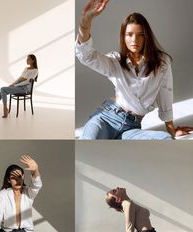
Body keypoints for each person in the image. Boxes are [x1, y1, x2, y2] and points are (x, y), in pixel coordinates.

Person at [76, 1, 193, 139]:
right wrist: (85, 21)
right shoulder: (116, 61)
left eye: (140, 34)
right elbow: (86, 56)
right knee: (88, 143)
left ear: (146, 36)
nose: (134, 39)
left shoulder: (162, 62)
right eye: (129, 34)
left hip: (132, 127)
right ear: (123, 37)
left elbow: (165, 93)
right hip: (106, 118)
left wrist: (171, 129)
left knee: (164, 139)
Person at [0, 54, 38, 118]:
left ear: (33, 60)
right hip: (18, 86)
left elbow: (27, 81)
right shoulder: (26, 68)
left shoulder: (35, 71)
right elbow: (20, 78)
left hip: (24, 89)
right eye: (27, 59)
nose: (27, 60)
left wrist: (16, 85)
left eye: (29, 59)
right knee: (2, 92)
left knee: (2, 89)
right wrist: (13, 84)